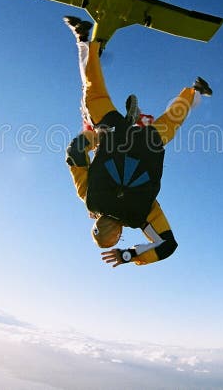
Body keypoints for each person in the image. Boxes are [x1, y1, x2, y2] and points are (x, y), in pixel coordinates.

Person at [63, 15, 212, 267]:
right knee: (93, 91)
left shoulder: (140, 217)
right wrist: (97, 137)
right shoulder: (90, 197)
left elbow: (167, 246)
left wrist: (129, 255)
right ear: (97, 221)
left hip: (150, 144)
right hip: (114, 132)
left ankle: (196, 90)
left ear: (119, 233)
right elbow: (75, 151)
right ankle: (86, 40)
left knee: (172, 120)